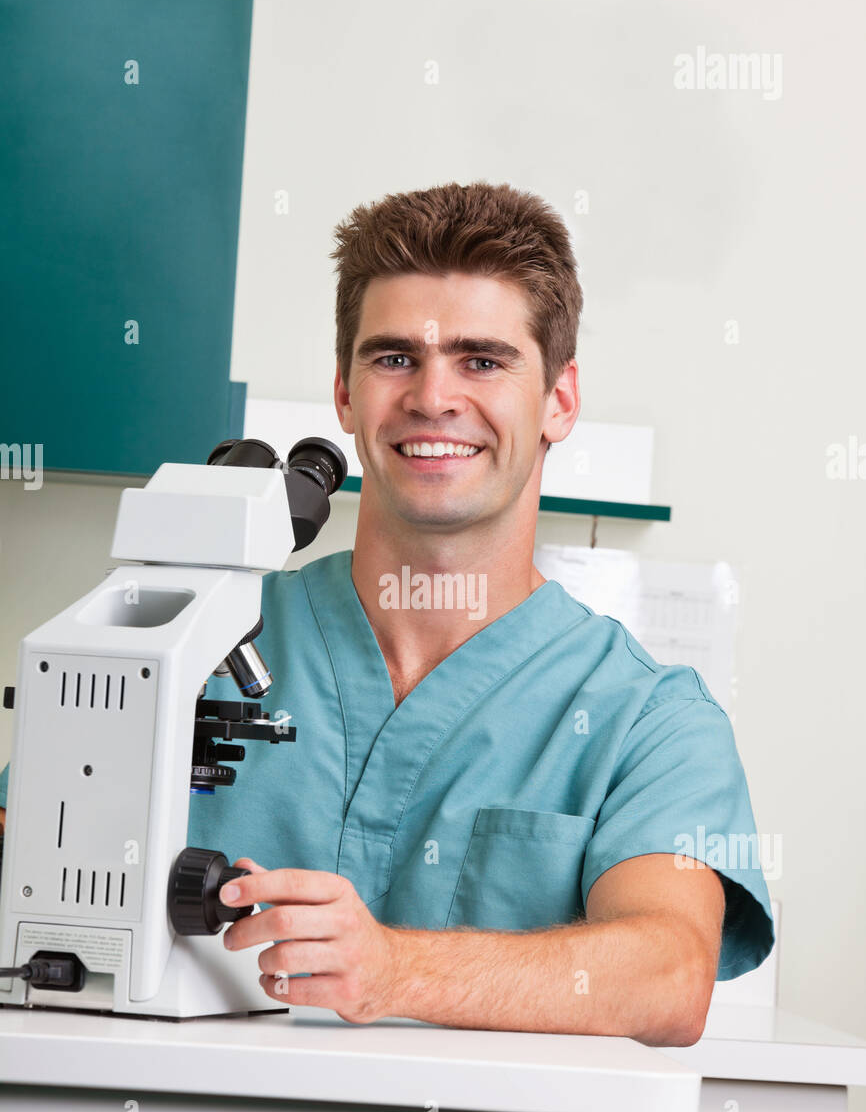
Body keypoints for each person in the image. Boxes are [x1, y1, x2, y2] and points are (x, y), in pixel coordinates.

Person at [0, 181, 774, 1042]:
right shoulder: (189, 642)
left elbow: (667, 977)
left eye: (482, 360)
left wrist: (395, 969)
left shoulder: (648, 721)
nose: (433, 398)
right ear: (344, 392)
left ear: (559, 398)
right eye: (395, 358)